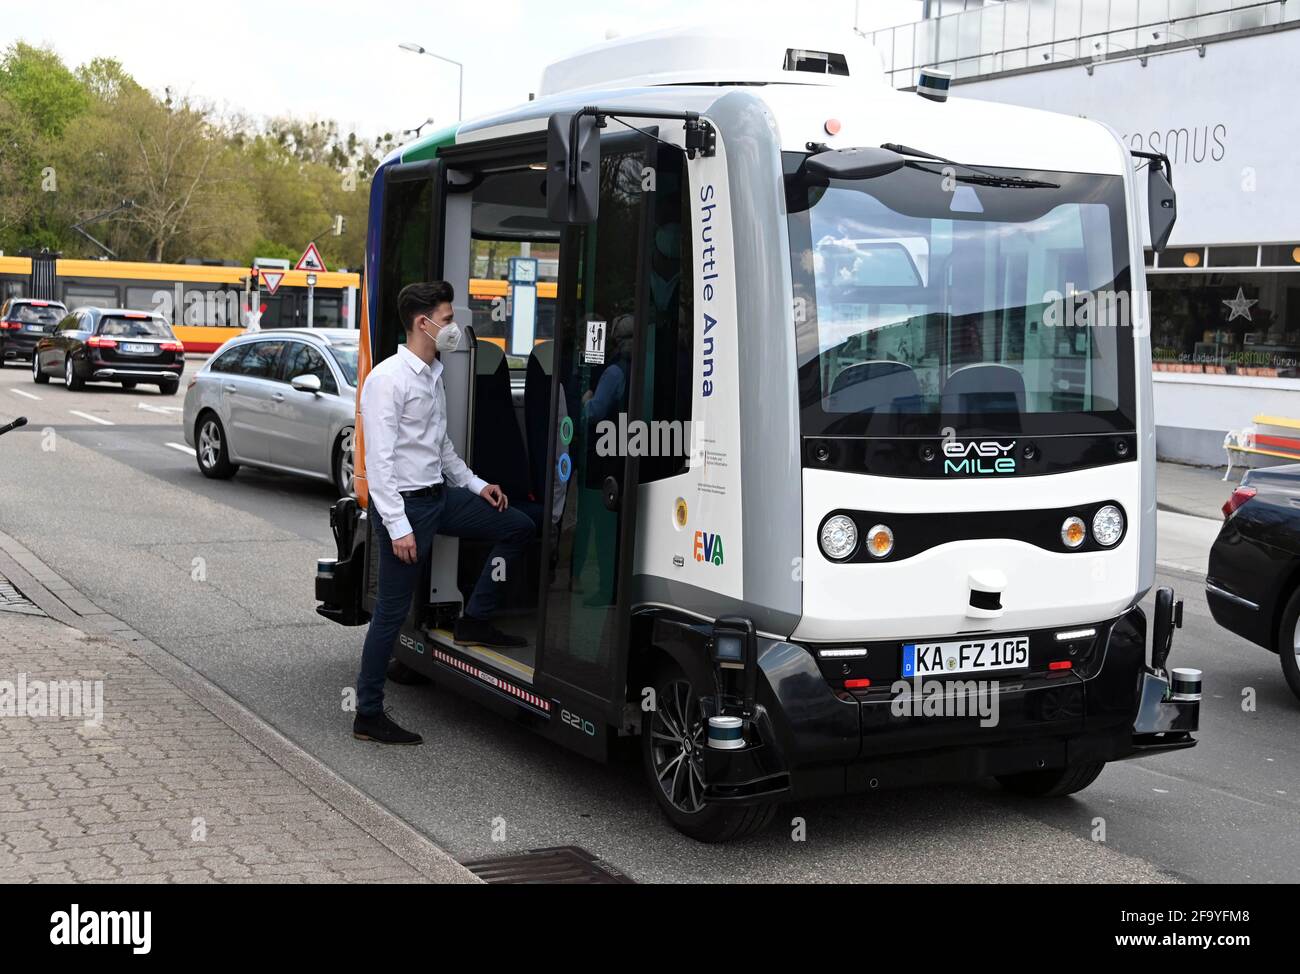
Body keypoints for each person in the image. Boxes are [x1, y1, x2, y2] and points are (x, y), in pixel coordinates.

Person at [352, 281, 534, 745]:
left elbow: (443, 448)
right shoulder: (388, 380)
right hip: (407, 508)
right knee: (390, 616)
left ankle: (475, 616)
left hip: (440, 497)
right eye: (449, 319)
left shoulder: (433, 373)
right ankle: (367, 714)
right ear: (423, 323)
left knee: (517, 526)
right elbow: (380, 463)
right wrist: (397, 527)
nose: (455, 328)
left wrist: (477, 485)